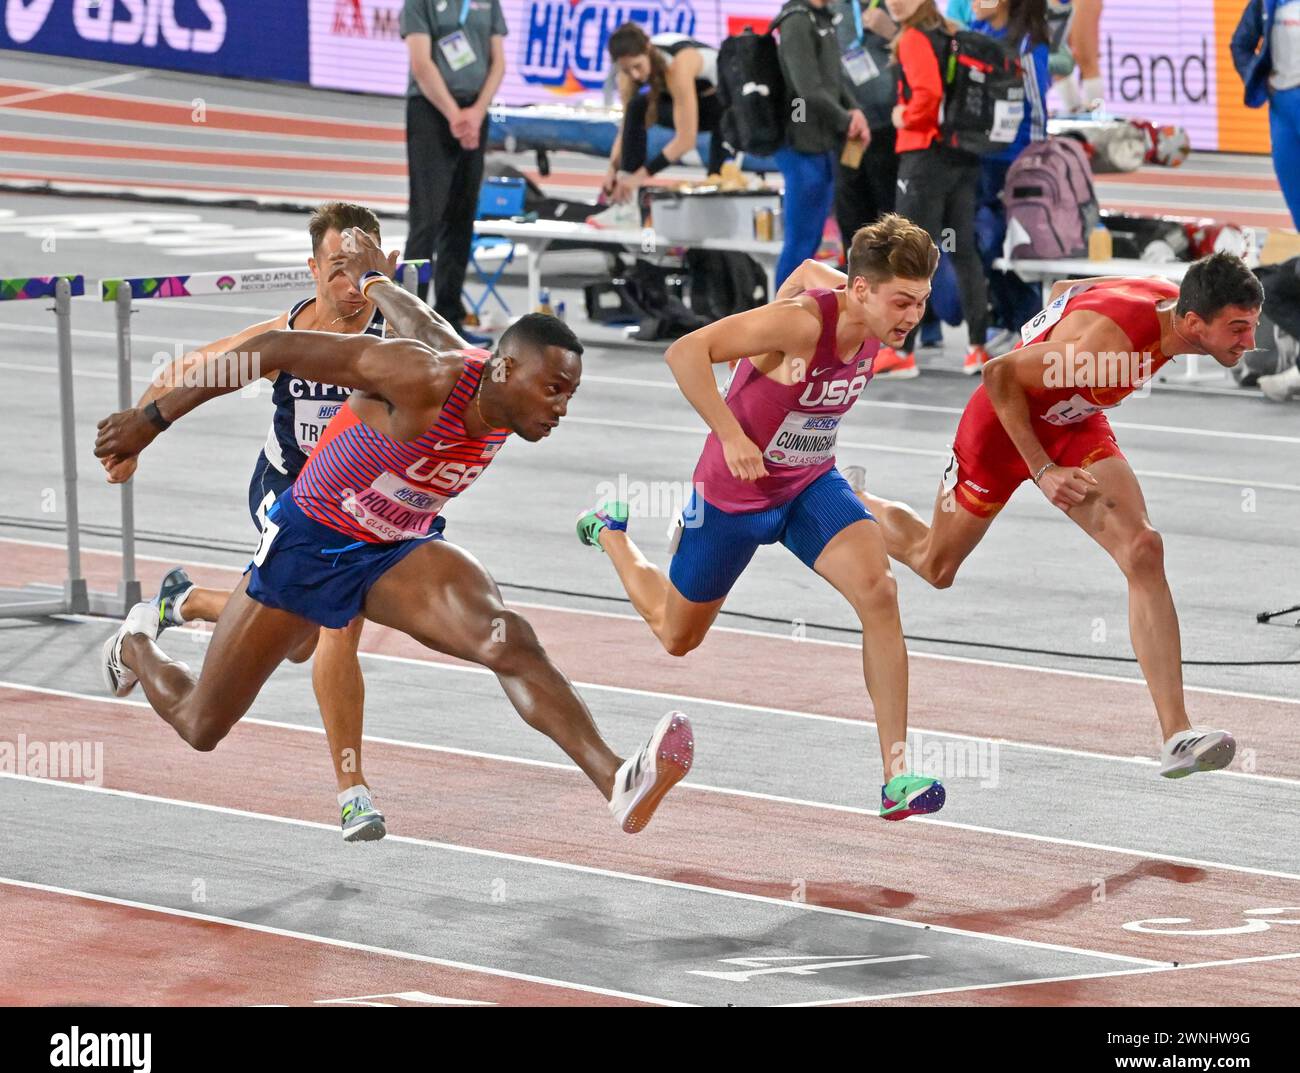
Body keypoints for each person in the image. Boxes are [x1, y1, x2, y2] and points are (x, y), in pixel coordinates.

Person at [94, 270, 695, 837]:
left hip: (395, 547)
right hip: (313, 541)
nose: (562, 407)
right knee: (202, 725)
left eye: (571, 393)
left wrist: (379, 279)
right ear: (506, 369)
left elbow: (427, 319)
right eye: (554, 389)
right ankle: (136, 644)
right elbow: (274, 346)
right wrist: (151, 419)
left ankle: (618, 779)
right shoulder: (423, 379)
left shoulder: (487, 381)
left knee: (504, 637)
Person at [575, 214, 945, 820]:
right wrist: (729, 434)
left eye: (922, 302)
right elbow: (685, 351)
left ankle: (896, 776)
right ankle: (612, 531)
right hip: (732, 497)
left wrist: (809, 288)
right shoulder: (799, 325)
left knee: (880, 591)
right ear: (861, 291)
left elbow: (805, 270)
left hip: (808, 487)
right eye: (902, 301)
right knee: (676, 636)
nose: (911, 317)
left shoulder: (868, 307)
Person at [847, 253, 1264, 778]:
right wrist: (1041, 469)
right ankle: (845, 497)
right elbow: (999, 373)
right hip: (1002, 428)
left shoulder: (1165, 295)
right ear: (1193, 321)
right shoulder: (1106, 349)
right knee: (935, 565)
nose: (1249, 342)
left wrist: (1052, 350)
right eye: (1238, 328)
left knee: (1143, 549)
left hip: (1073, 423)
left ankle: (1177, 735)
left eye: (1252, 326)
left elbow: (1067, 287)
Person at [98, 203, 406, 842]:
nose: (350, 289)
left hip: (356, 508)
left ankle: (182, 601)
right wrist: (135, 433)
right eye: (336, 273)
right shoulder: (284, 341)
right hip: (286, 496)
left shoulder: (399, 346)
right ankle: (353, 792)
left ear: (385, 268)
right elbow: (191, 369)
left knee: (294, 643)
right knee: (336, 623)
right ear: (313, 268)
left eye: (362, 273)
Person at [874, 0, 990, 378]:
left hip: (924, 158)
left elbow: (927, 94)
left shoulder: (914, 38)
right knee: (962, 251)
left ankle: (902, 352)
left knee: (907, 253)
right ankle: (977, 349)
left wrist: (902, 116)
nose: (895, 2)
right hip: (961, 157)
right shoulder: (949, 33)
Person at [401, 0, 507, 347]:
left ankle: (449, 319)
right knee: (426, 221)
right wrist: (454, 115)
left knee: (461, 220)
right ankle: (410, 323)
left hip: (474, 112)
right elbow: (421, 63)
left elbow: (498, 62)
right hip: (431, 112)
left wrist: (476, 112)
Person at [970, 0, 1052, 342]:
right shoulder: (976, 34)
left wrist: (1030, 166)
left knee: (1010, 243)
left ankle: (1027, 321)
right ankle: (1003, 317)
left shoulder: (1028, 46)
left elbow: (1037, 110)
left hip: (1012, 162)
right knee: (981, 242)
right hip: (976, 159)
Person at [773, 0, 871, 287]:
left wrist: (854, 111)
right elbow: (808, 89)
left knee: (811, 241)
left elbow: (834, 81)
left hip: (821, 144)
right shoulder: (796, 21)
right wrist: (846, 120)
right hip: (800, 146)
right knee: (801, 242)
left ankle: (794, 320)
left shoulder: (823, 18)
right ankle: (779, 323)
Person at [596, 24, 725, 223]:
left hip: (723, 109)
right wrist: (613, 171)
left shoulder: (679, 66)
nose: (635, 75)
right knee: (636, 106)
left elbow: (686, 141)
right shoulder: (627, 73)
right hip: (691, 100)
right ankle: (626, 208)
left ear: (648, 50)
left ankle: (716, 216)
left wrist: (638, 178)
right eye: (627, 70)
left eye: (638, 66)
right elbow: (626, 130)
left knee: (718, 178)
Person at [831, 0, 901, 256]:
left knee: (893, 218)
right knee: (852, 215)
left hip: (890, 130)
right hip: (851, 133)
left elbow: (935, 49)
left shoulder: (899, 5)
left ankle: (897, 288)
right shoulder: (833, 7)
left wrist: (893, 32)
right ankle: (858, 285)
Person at [1232, 0, 1300, 232]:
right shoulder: (1266, 2)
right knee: (1294, 190)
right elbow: (1240, 44)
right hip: (1283, 108)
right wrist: (1259, 80)